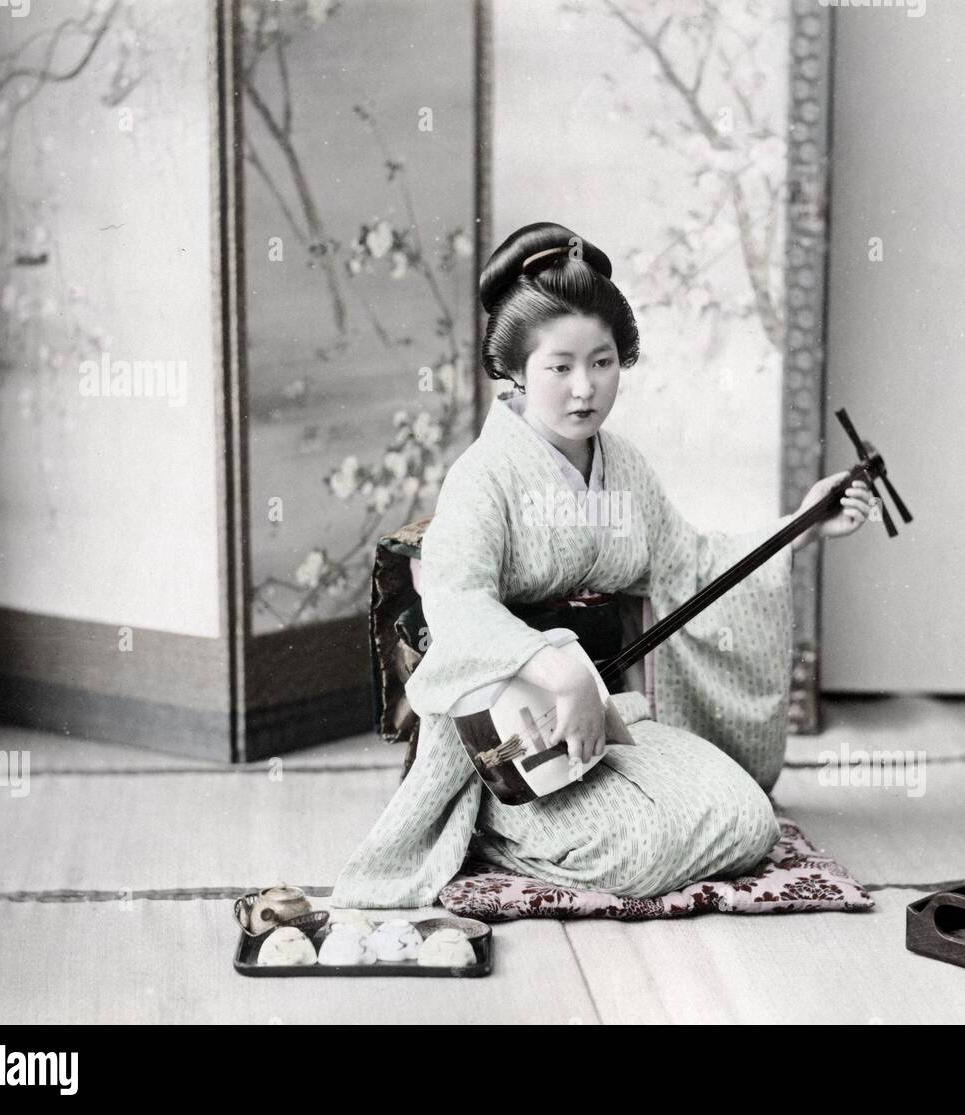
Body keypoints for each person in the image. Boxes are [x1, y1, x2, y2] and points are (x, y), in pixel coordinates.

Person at [331, 222, 872, 908]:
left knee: (746, 817)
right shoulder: (484, 477)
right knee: (642, 851)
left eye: (604, 361)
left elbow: (692, 565)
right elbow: (458, 603)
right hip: (513, 732)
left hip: (612, 710)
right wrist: (557, 666)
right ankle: (489, 824)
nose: (584, 388)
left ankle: (595, 815)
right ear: (515, 370)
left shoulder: (625, 466)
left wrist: (804, 523)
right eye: (560, 366)